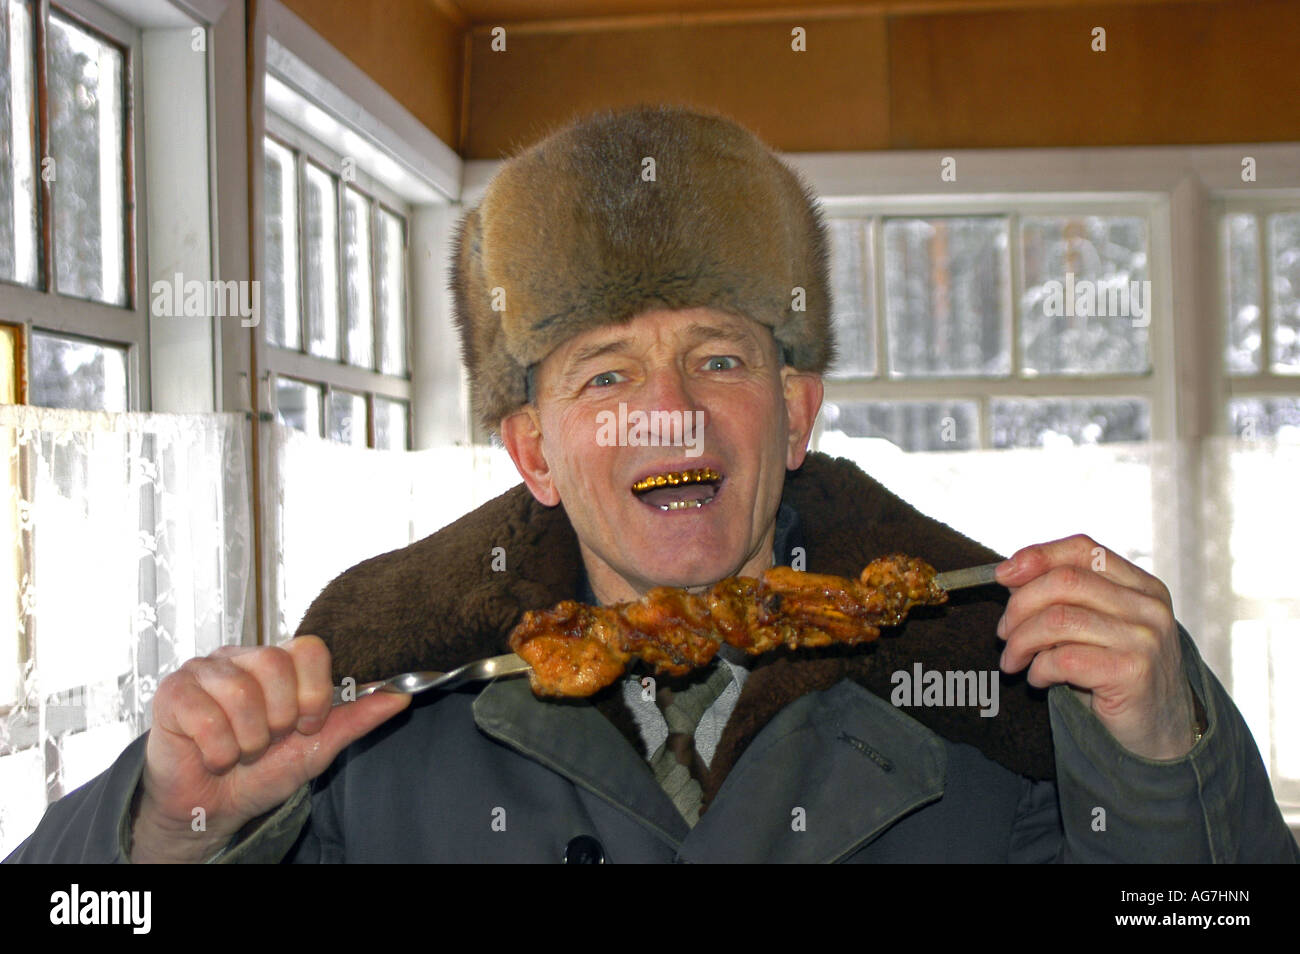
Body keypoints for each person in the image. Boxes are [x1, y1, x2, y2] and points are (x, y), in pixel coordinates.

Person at [7, 104, 1296, 864]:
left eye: (718, 357)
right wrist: (165, 829)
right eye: (606, 374)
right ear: (534, 453)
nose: (669, 408)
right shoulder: (361, 727)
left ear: (795, 415)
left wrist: (1164, 759)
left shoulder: (999, 704)